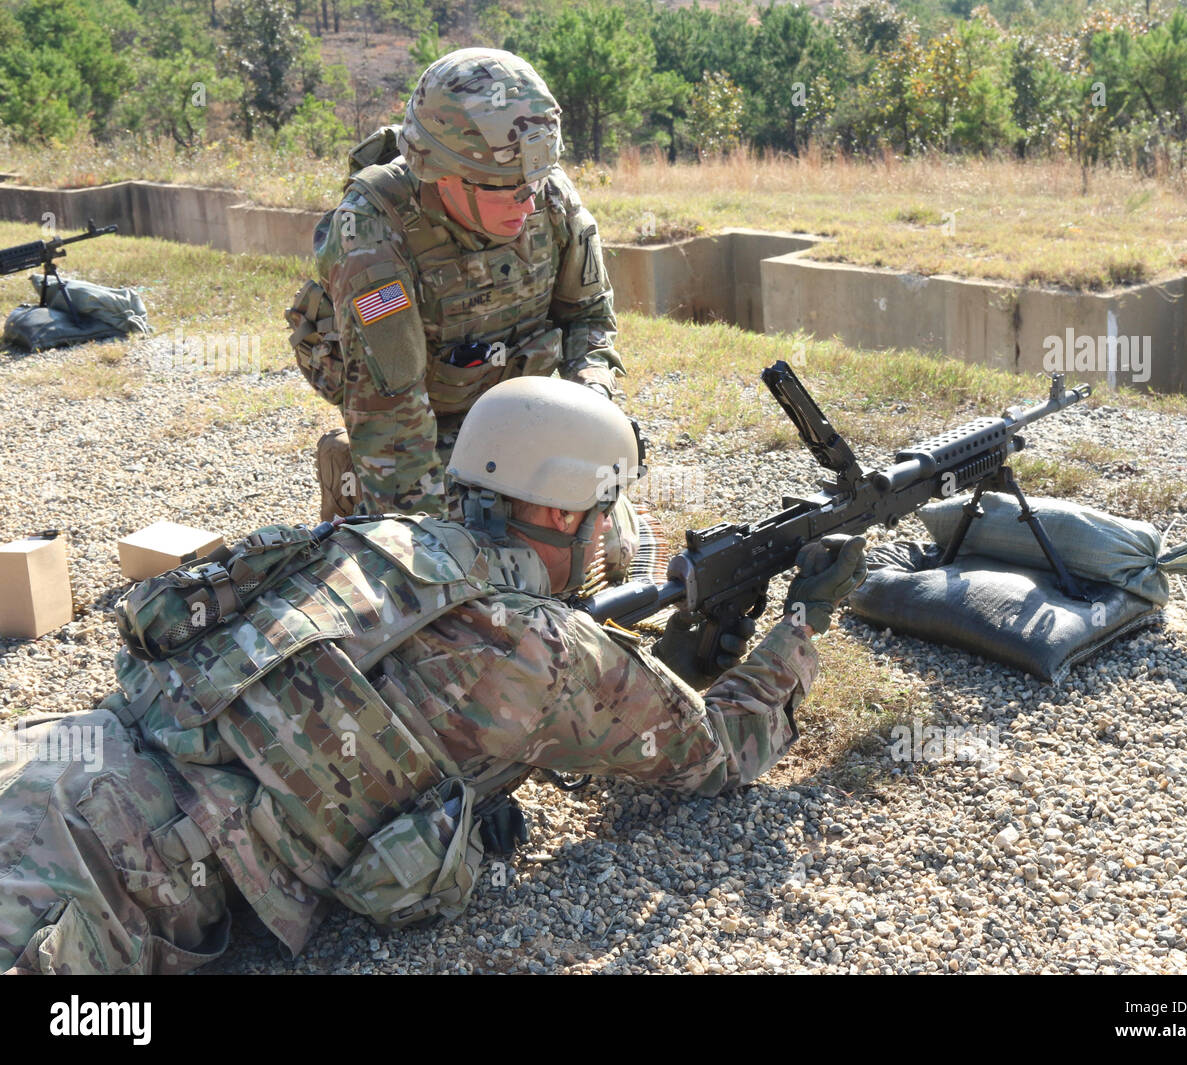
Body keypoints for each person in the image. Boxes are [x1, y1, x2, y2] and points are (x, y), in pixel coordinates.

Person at [0, 377, 867, 975]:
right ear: (560, 509)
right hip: (113, 887)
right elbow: (721, 750)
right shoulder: (547, 652)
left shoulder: (371, 538)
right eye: (603, 513)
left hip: (53, 755)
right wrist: (805, 620)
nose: (610, 532)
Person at [288, 48, 626, 542]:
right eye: (507, 188)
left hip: (521, 413)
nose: (529, 201)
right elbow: (392, 414)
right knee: (465, 555)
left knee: (605, 546)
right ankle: (348, 478)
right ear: (440, 173)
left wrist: (589, 411)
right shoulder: (372, 234)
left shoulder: (545, 191)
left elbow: (589, 318)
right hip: (423, 422)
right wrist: (430, 546)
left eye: (534, 181)